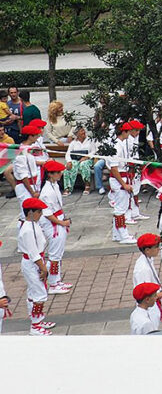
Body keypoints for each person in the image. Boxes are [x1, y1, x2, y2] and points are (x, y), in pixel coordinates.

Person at [19, 197, 55, 335]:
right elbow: (33, 253)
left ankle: (38, 319)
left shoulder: (33, 224)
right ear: (30, 212)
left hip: (35, 261)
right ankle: (35, 325)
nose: (41, 214)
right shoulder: (28, 230)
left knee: (33, 292)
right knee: (40, 294)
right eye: (39, 211)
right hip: (32, 263)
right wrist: (43, 268)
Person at [39, 161, 72, 294]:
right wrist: (62, 223)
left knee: (59, 253)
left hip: (58, 219)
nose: (60, 174)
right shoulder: (46, 191)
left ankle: (57, 280)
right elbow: (47, 214)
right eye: (58, 172)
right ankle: (53, 283)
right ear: (50, 174)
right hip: (53, 224)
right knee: (54, 255)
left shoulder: (54, 185)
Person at [133, 232, 162, 325]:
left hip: (152, 304)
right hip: (149, 308)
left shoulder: (148, 259)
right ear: (147, 250)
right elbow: (144, 295)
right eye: (156, 247)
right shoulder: (143, 269)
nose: (158, 249)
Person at [108, 123, 136, 244]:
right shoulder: (116, 146)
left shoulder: (120, 144)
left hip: (122, 177)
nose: (129, 134)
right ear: (123, 132)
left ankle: (117, 234)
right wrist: (124, 184)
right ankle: (123, 235)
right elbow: (114, 168)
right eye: (128, 132)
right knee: (121, 208)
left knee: (120, 207)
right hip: (119, 179)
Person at [63, 126, 98, 195]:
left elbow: (94, 151)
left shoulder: (90, 140)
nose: (84, 132)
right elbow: (68, 153)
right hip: (76, 160)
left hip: (88, 160)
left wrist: (86, 157)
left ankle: (87, 185)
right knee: (69, 167)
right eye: (81, 131)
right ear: (77, 134)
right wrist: (69, 161)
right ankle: (68, 188)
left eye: (83, 130)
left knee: (83, 164)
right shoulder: (73, 143)